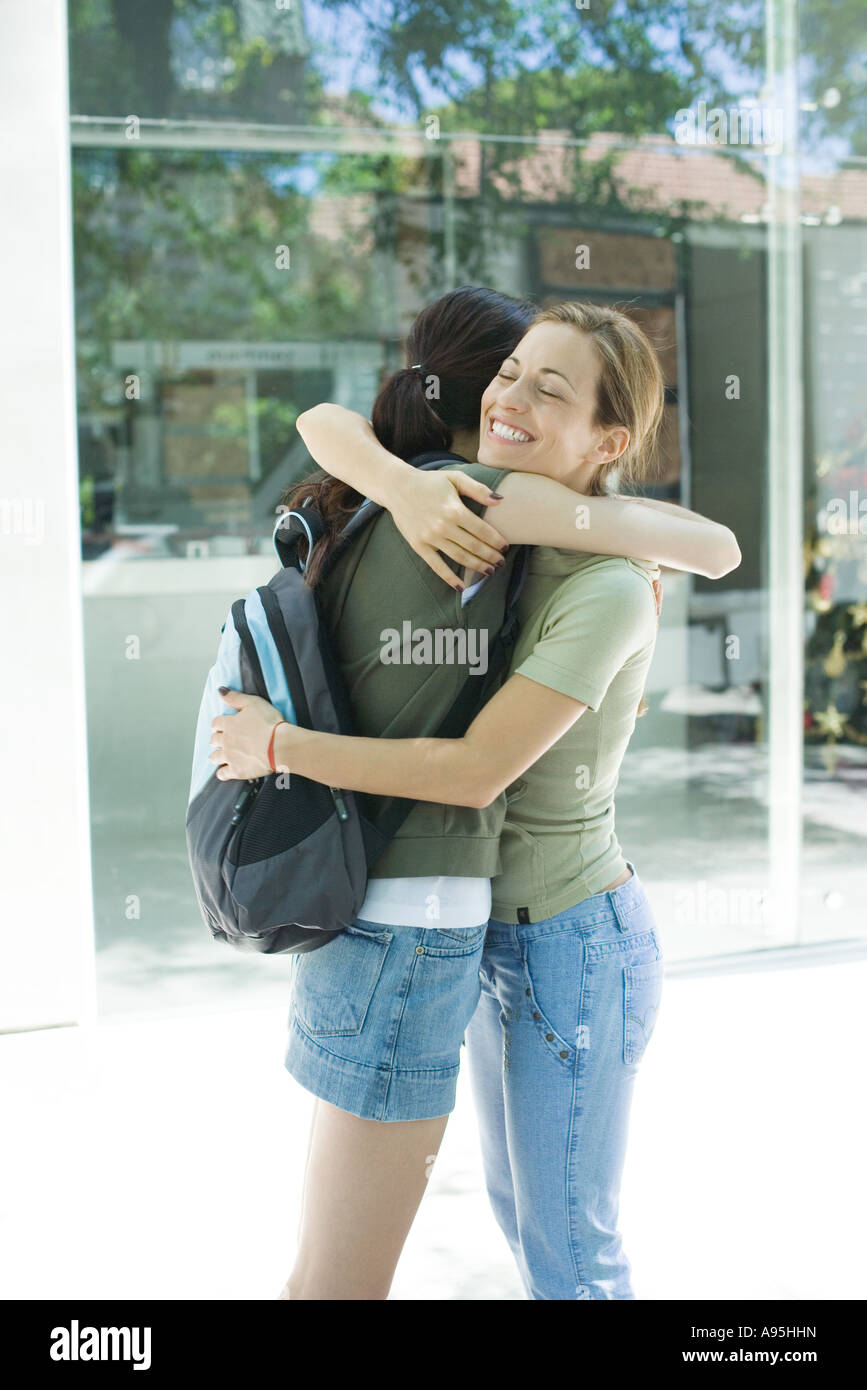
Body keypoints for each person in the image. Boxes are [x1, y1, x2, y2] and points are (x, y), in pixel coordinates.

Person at [211, 293, 741, 1299]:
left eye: (551, 388)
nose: (512, 399)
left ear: (607, 438)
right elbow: (326, 426)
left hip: (572, 942)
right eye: (507, 375)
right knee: (523, 1227)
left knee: (572, 1257)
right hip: (497, 933)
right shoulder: (495, 506)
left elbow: (473, 771)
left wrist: (278, 744)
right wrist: (404, 491)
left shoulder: (608, 579)